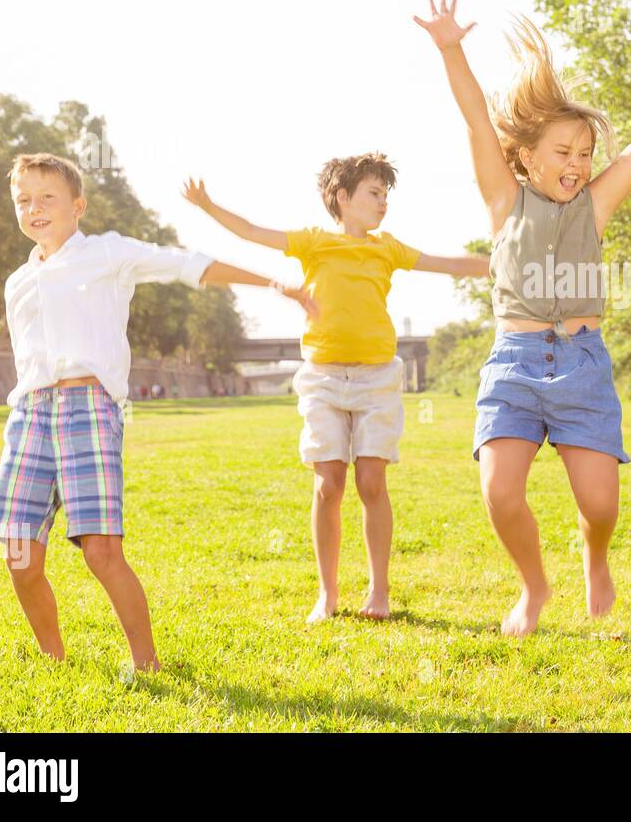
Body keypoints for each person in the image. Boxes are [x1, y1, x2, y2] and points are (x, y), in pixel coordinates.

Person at [415, 0, 631, 635]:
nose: (577, 165)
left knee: (599, 504)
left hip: (582, 364)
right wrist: (452, 47)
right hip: (513, 363)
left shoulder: (593, 206)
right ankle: (533, 588)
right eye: (564, 153)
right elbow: (476, 121)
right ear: (528, 157)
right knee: (500, 491)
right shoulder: (502, 200)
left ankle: (594, 554)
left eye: (585, 153)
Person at [0, 153, 315, 670]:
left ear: (78, 205)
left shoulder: (109, 253)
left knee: (100, 553)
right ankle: (54, 661)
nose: (34, 208)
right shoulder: (17, 282)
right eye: (22, 200)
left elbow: (189, 264)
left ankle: (147, 663)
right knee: (19, 555)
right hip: (28, 414)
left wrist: (276, 284)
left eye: (46, 197)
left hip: (87, 408)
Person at [184, 154, 488, 623]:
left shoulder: (387, 248)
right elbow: (250, 231)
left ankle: (379, 592)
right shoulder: (314, 243)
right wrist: (207, 205)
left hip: (376, 378)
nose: (382, 202)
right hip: (323, 376)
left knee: (371, 479)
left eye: (386, 195)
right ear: (342, 198)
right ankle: (327, 595)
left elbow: (447, 264)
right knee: (328, 483)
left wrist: (502, 261)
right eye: (373, 193)